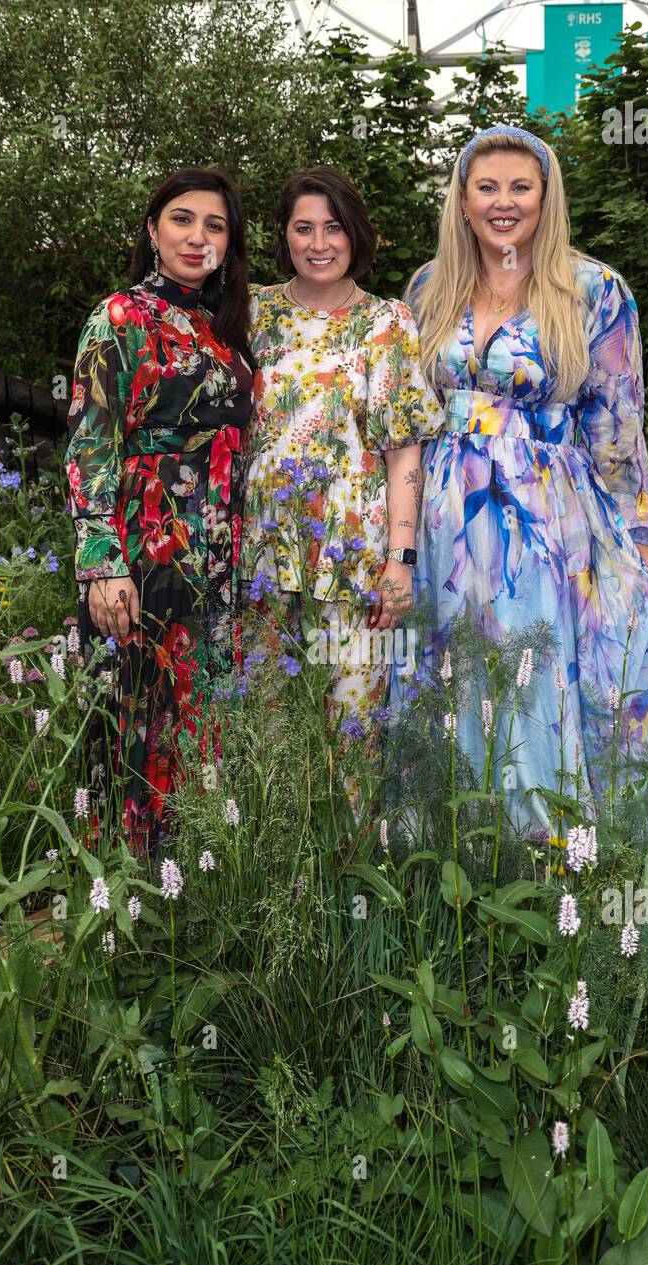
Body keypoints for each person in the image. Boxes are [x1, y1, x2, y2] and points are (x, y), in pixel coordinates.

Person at [390, 124, 648, 834]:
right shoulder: (428, 288)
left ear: (545, 196)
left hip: (544, 516)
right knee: (450, 663)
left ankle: (549, 848)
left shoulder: (592, 289)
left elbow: (616, 420)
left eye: (520, 187)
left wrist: (640, 532)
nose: (504, 202)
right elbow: (403, 415)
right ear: (462, 202)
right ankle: (451, 849)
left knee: (535, 665)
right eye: (486, 187)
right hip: (443, 514)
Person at [64, 168, 255, 860]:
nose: (196, 236)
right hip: (142, 553)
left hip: (216, 556)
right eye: (181, 219)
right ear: (151, 230)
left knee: (199, 718)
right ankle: (120, 888)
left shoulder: (225, 326)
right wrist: (100, 563)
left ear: (230, 244)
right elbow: (90, 445)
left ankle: (191, 881)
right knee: (129, 720)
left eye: (214, 225)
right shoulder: (120, 316)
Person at [239, 166, 443, 812]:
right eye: (304, 228)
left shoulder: (387, 322)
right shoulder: (252, 312)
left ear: (355, 235)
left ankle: (348, 889)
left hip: (355, 561)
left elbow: (404, 445)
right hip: (262, 559)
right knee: (266, 730)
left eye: (333, 228)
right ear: (284, 236)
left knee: (353, 733)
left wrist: (400, 560)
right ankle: (276, 879)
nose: (318, 242)